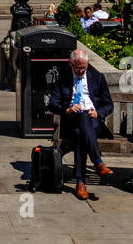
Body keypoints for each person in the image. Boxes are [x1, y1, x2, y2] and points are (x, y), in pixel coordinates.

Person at [47, 47, 114, 199]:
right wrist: (67, 109)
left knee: (80, 131)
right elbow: (52, 104)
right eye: (77, 68)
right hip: (71, 121)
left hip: (93, 122)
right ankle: (97, 162)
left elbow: (108, 104)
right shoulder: (63, 78)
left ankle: (80, 182)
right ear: (70, 64)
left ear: (88, 64)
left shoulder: (97, 77)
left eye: (83, 68)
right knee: (80, 120)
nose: (80, 71)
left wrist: (98, 113)